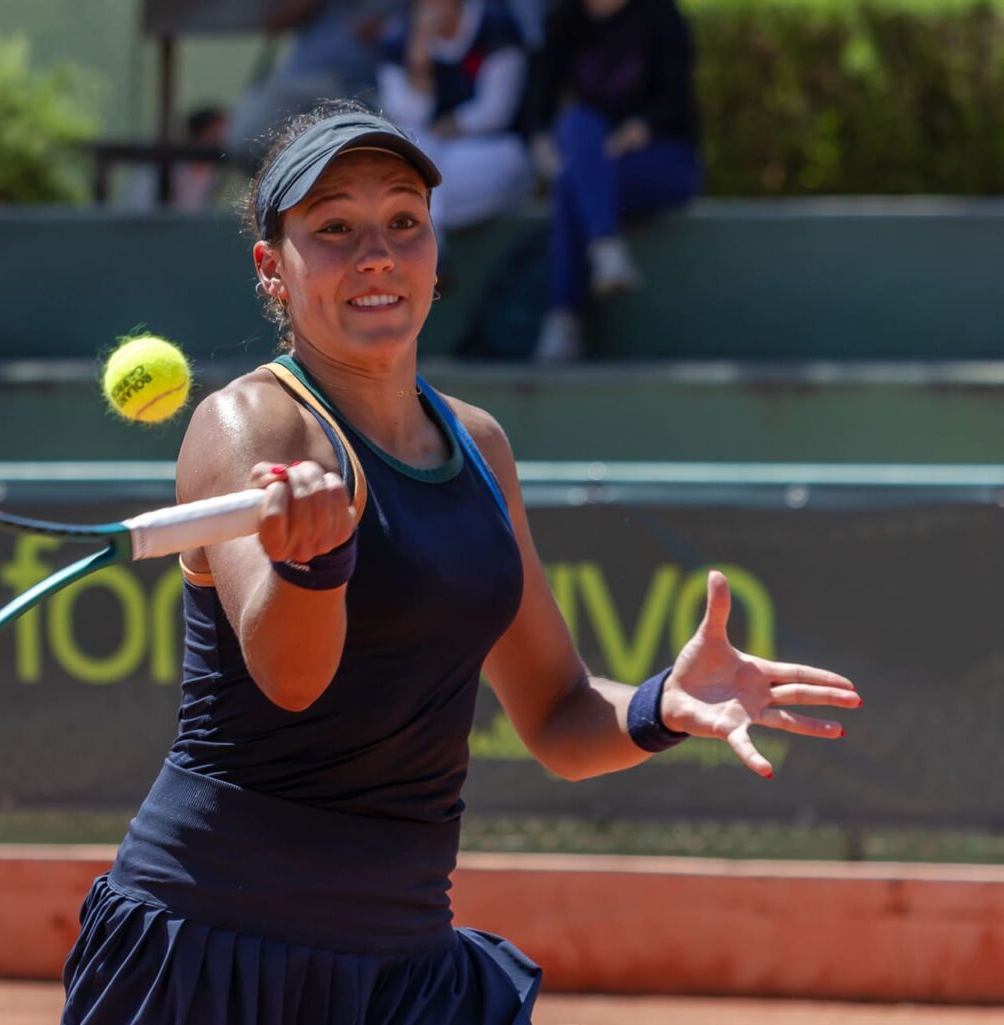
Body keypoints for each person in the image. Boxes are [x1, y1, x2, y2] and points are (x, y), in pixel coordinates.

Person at [60, 101, 861, 1024]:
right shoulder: (250, 426)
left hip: (404, 964)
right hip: (215, 951)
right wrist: (314, 565)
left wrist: (659, 706)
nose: (377, 253)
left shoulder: (479, 444)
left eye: (404, 221)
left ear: (435, 253)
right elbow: (290, 676)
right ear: (271, 269)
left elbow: (559, 715)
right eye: (334, 229)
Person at [526, 0, 702, 362]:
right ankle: (606, 249)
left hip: (660, 160)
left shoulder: (661, 15)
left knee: (574, 182)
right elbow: (539, 106)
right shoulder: (564, 21)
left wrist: (633, 134)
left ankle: (563, 319)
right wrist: (542, 147)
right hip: (595, 164)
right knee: (576, 127)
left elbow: (678, 105)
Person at [378, 0, 533, 234]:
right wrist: (420, 63)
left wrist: (450, 125)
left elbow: (496, 111)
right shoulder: (398, 37)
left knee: (414, 185)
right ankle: (430, 254)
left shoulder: (495, 26)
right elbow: (409, 119)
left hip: (493, 149)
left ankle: (432, 254)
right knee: (411, 166)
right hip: (431, 151)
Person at [226, 0, 409, 165]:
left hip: (370, 87)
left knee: (389, 149)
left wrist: (387, 33)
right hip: (302, 78)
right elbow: (272, 22)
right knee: (245, 138)